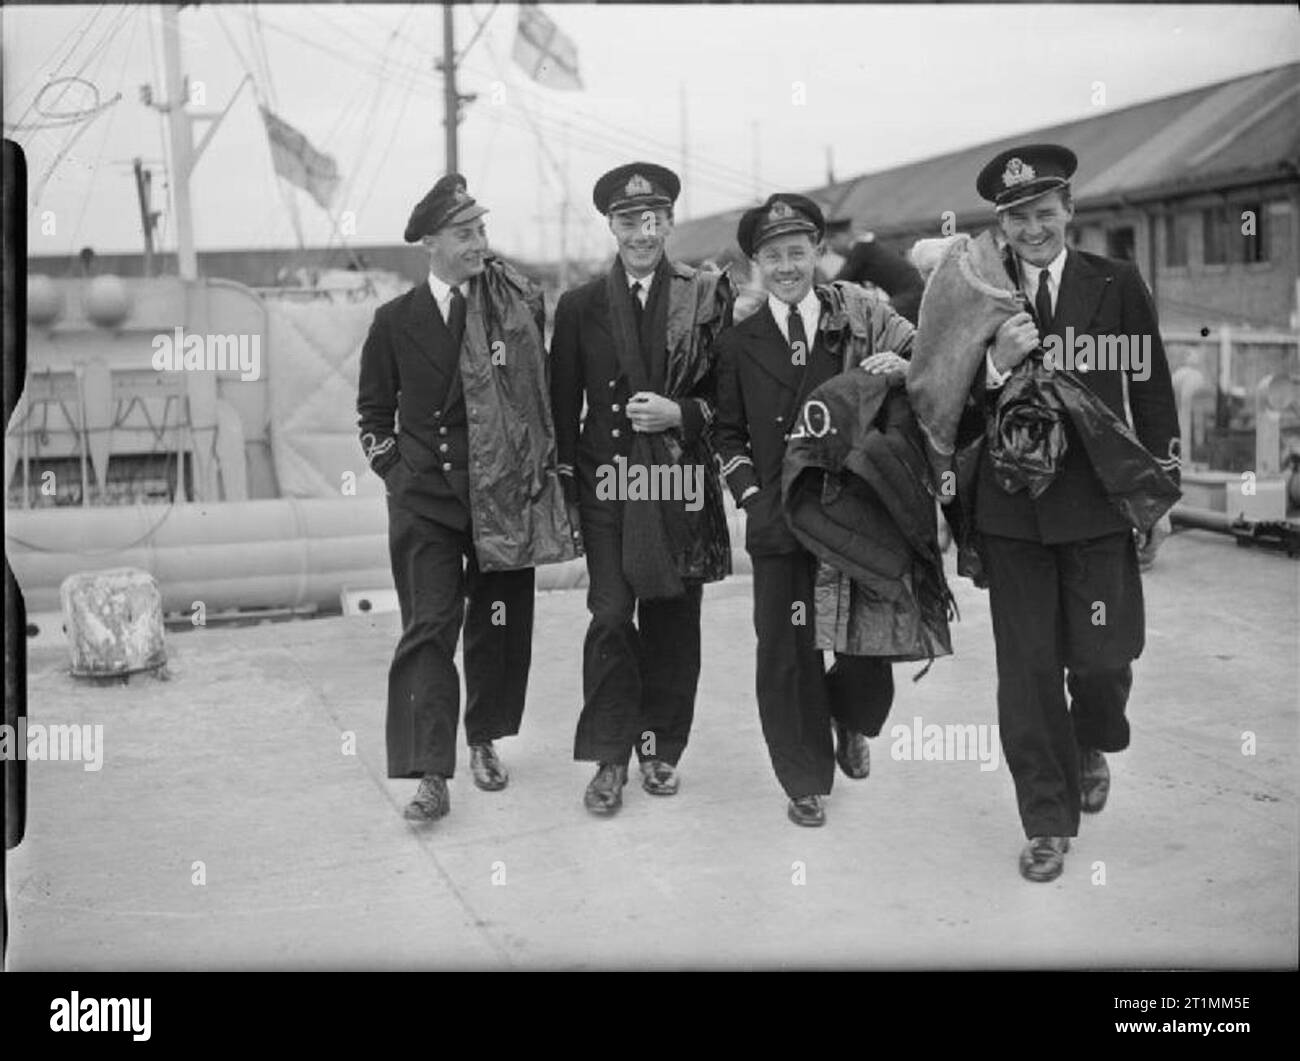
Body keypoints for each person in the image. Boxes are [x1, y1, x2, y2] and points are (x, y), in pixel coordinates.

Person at [972, 144, 1181, 881]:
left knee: (1100, 659)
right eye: (1019, 217)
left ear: (1071, 211)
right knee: (1027, 673)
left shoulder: (1115, 283)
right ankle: (1047, 822)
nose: (1035, 228)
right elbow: (943, 398)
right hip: (1011, 514)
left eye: (1046, 213)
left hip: (1097, 506)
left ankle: (1093, 736)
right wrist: (996, 363)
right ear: (1002, 227)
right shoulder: (979, 292)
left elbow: (1150, 389)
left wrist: (1162, 492)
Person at [356, 173, 574, 824]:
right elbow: (371, 416)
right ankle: (429, 773)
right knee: (427, 631)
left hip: (500, 496)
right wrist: (398, 475)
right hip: (426, 503)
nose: (480, 242)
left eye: (481, 229)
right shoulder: (394, 322)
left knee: (498, 630)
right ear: (431, 244)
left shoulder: (512, 305)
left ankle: (482, 740)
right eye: (465, 232)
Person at [712, 193, 912, 827]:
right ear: (757, 264)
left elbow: (932, 355)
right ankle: (803, 778)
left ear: (819, 254)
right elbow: (726, 432)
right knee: (786, 651)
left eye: (798, 252)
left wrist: (902, 367)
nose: (787, 267)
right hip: (780, 517)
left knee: (865, 644)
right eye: (772, 257)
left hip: (854, 508)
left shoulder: (857, 320)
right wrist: (749, 494)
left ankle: (851, 717)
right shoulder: (738, 342)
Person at [549, 162, 735, 815]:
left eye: (652, 219)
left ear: (669, 223)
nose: (642, 231)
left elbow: (725, 399)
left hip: (679, 482)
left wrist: (680, 414)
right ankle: (608, 757)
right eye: (628, 220)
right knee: (608, 618)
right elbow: (560, 406)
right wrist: (572, 496)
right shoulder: (578, 307)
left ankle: (659, 749)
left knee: (674, 622)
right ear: (611, 226)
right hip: (610, 485)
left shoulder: (706, 296)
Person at [824, 219, 926, 325]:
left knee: (875, 322)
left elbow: (840, 280)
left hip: (912, 294)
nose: (832, 248)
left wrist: (816, 292)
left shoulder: (861, 250)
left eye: (831, 241)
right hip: (913, 293)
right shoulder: (867, 248)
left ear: (843, 236)